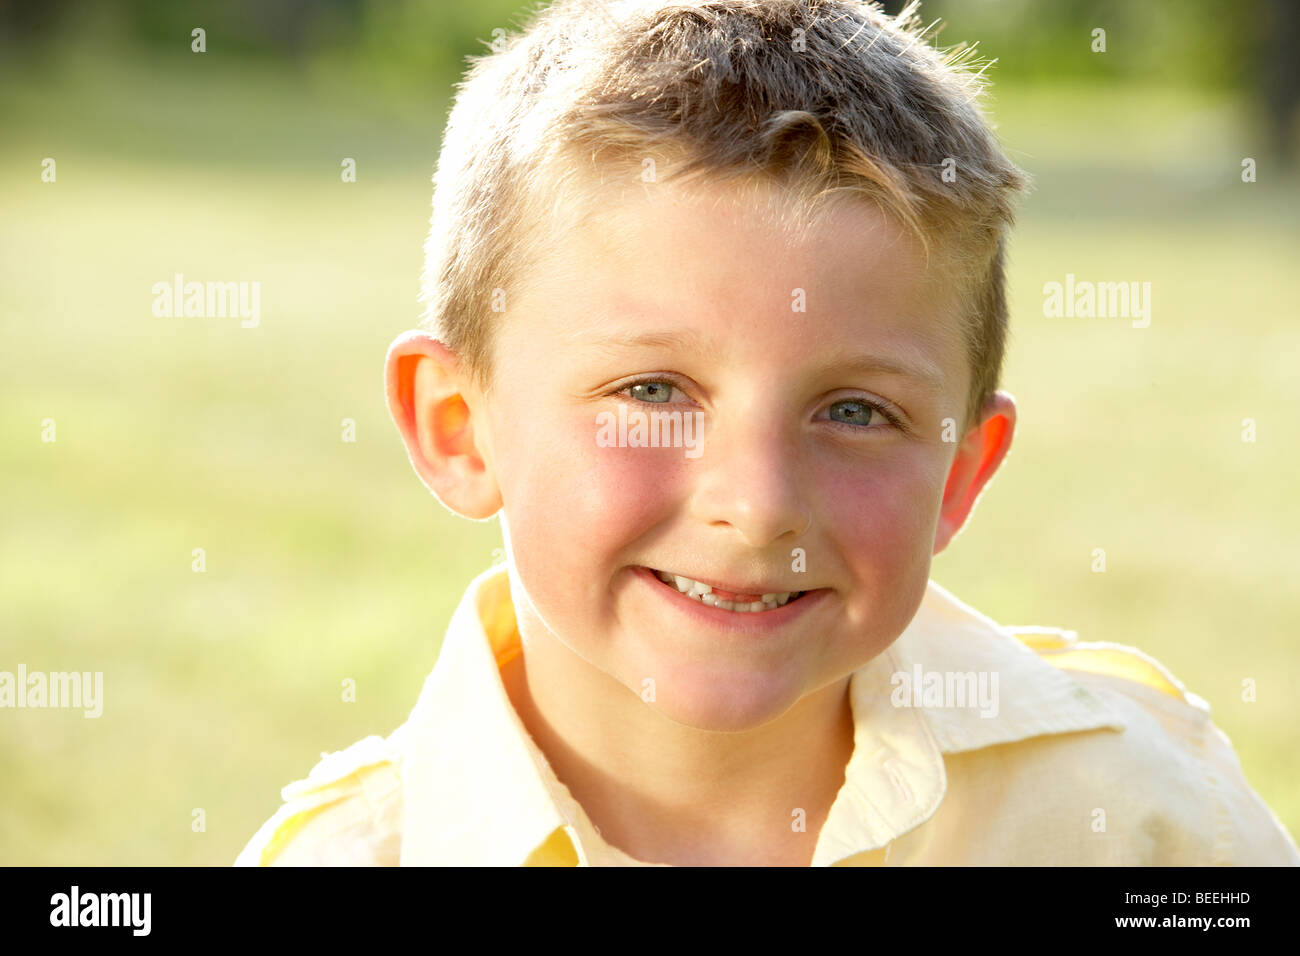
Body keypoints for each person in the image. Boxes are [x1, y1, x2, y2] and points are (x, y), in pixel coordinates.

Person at [235, 0, 1299, 866]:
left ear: (959, 475)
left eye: (855, 411)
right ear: (459, 427)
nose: (757, 505)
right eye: (652, 391)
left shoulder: (1150, 822)